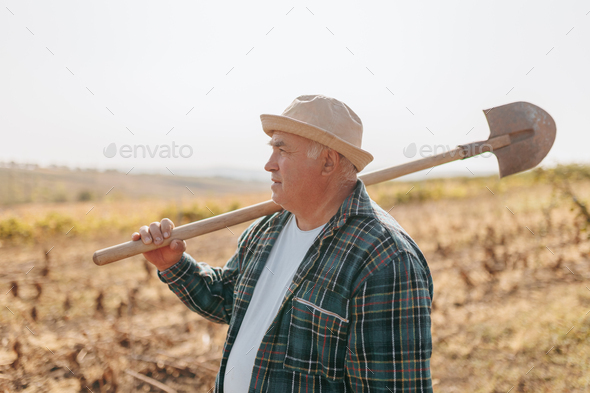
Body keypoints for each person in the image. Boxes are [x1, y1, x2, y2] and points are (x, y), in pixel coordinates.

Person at [132, 94, 434, 392]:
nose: (269, 164)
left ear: (328, 162)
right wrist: (173, 264)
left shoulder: (385, 260)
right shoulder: (266, 230)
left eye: (282, 151)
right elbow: (230, 301)